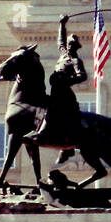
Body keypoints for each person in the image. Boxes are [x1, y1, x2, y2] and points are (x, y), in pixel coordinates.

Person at [32, 15, 87, 146]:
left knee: (52, 109)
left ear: (73, 46)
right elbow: (60, 40)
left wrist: (66, 80)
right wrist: (62, 24)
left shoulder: (75, 61)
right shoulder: (63, 54)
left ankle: (43, 133)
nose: (66, 45)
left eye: (70, 44)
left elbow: (82, 76)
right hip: (55, 90)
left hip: (64, 94)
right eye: (67, 43)